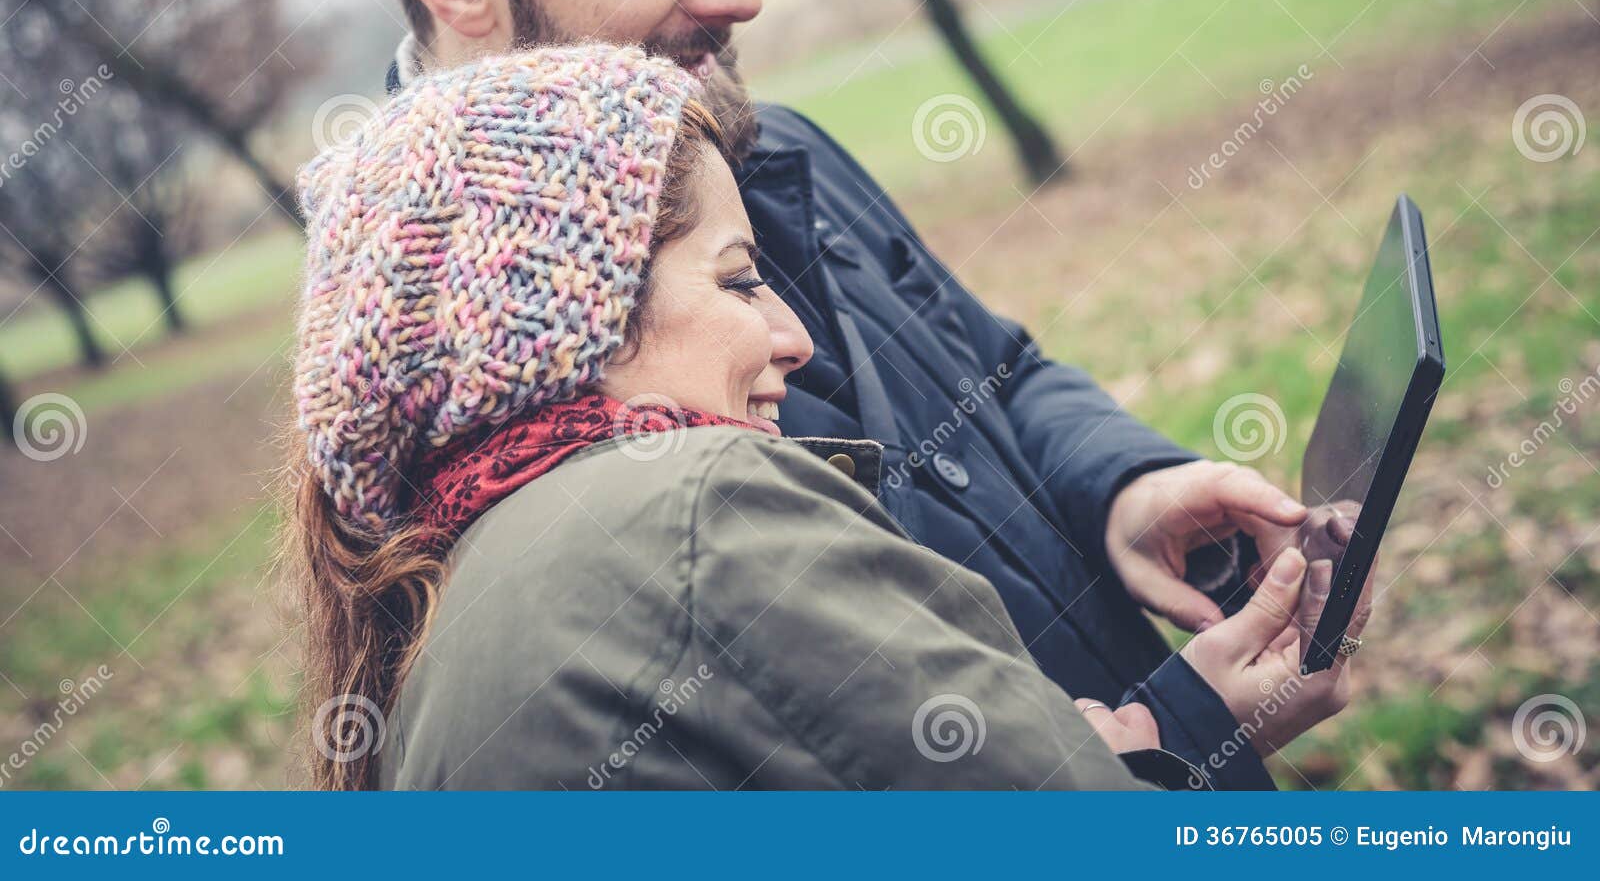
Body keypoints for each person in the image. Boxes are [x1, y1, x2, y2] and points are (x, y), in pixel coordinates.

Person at [354, 0, 1369, 787]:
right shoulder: (449, 378)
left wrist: (1124, 487)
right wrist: (1179, 741)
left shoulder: (774, 147)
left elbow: (997, 367)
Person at [285, 43, 1335, 789]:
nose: (792, 334)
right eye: (739, 281)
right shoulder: (700, 512)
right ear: (563, 319)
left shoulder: (439, 606)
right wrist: (1190, 728)